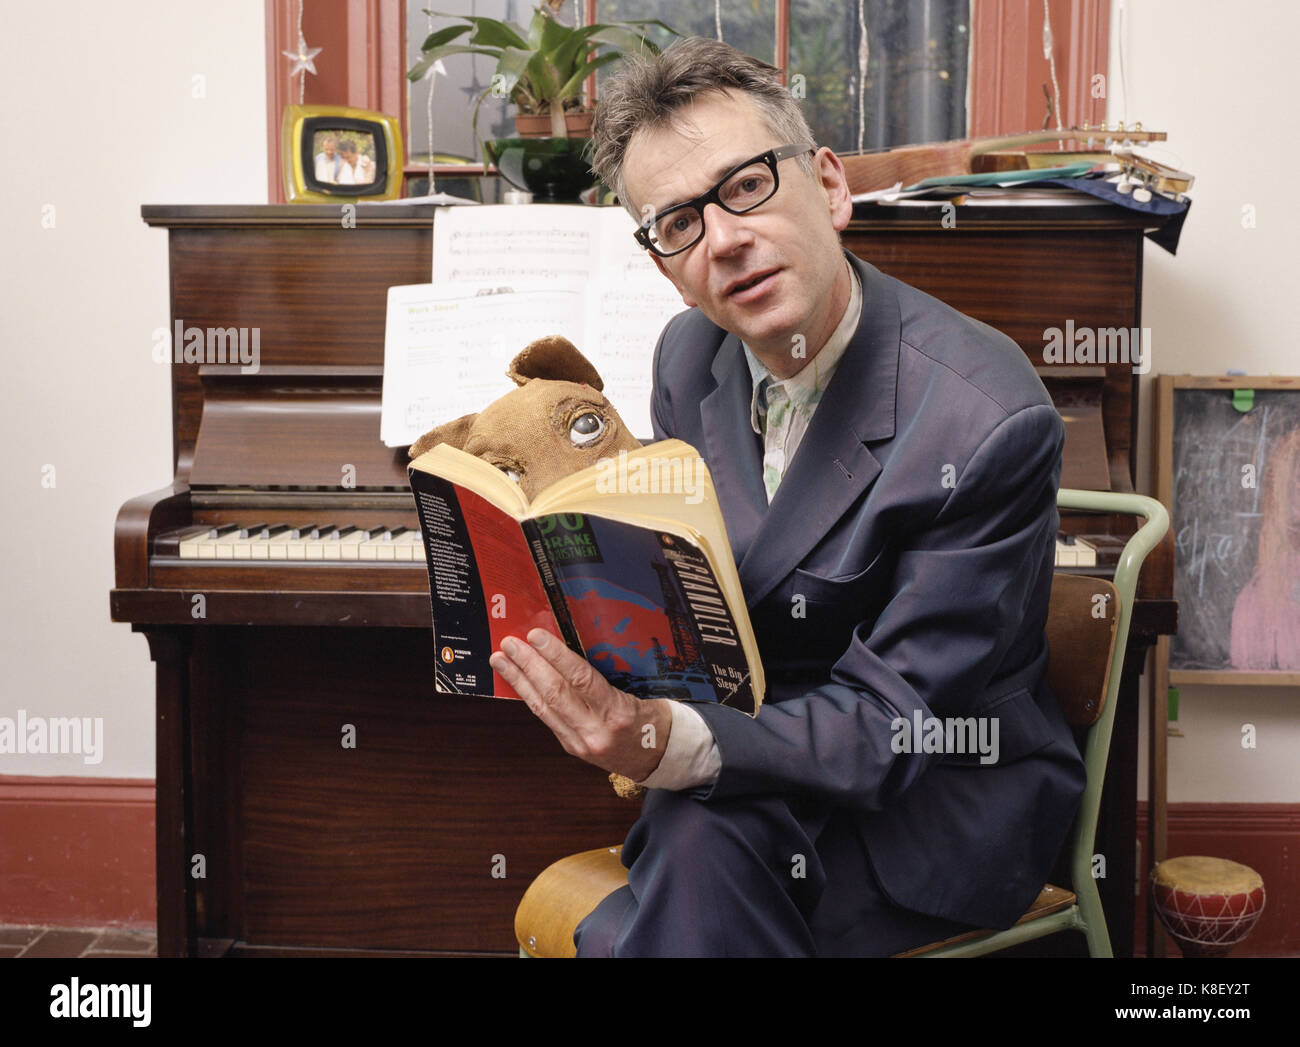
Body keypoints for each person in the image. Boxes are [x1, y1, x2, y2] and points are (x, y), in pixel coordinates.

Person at [488, 37, 1087, 957]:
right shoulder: (687, 357)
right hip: (762, 770)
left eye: (746, 185)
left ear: (831, 187)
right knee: (698, 839)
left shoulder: (985, 417)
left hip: (933, 800)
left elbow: (893, 727)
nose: (724, 239)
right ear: (667, 268)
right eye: (678, 222)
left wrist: (662, 741)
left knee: (685, 861)